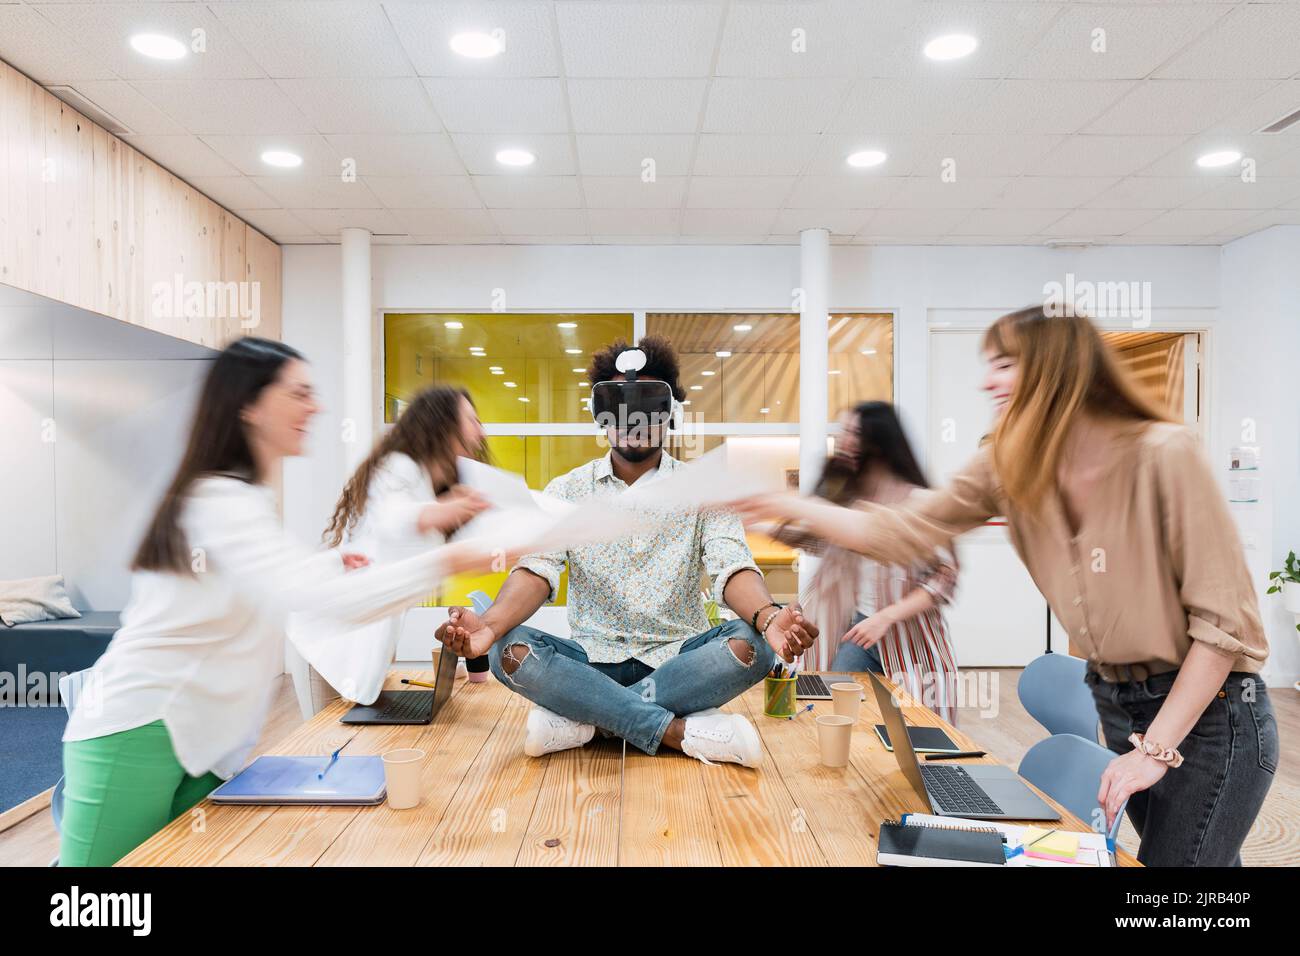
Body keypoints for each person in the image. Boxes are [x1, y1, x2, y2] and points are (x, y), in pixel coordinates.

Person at [735, 307, 1277, 866]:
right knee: (1202, 862)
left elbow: (1224, 628)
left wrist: (1157, 750)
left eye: (1004, 363)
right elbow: (903, 531)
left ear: (1058, 368)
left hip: (1212, 712)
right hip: (1121, 702)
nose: (987, 380)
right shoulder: (1008, 463)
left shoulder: (1163, 452)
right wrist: (782, 505)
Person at [59, 338, 501, 866]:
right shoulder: (218, 500)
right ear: (248, 404)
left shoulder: (246, 499)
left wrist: (329, 564)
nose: (314, 406)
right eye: (299, 393)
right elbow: (319, 600)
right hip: (137, 728)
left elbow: (261, 585)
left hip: (201, 737)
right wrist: (447, 560)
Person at [437, 335, 818, 768]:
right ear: (601, 416)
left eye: (647, 406)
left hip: (681, 662)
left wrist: (769, 618)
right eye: (618, 406)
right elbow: (537, 570)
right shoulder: (569, 490)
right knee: (508, 649)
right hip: (591, 662)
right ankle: (676, 731)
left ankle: (590, 720)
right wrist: (487, 627)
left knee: (755, 646)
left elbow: (731, 567)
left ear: (669, 415)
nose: (632, 420)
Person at [769, 402, 960, 723]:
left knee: (918, 727)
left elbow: (944, 577)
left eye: (854, 433)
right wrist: (757, 518)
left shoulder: (921, 503)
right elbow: (816, 540)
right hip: (859, 630)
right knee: (840, 711)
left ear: (880, 441)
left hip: (909, 642)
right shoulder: (850, 502)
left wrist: (886, 617)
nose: (845, 441)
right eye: (843, 432)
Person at [299, 386, 491, 702]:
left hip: (369, 642)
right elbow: (392, 518)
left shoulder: (433, 485)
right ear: (442, 426)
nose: (480, 431)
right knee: (323, 745)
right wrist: (445, 511)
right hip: (330, 645)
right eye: (471, 420)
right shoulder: (397, 466)